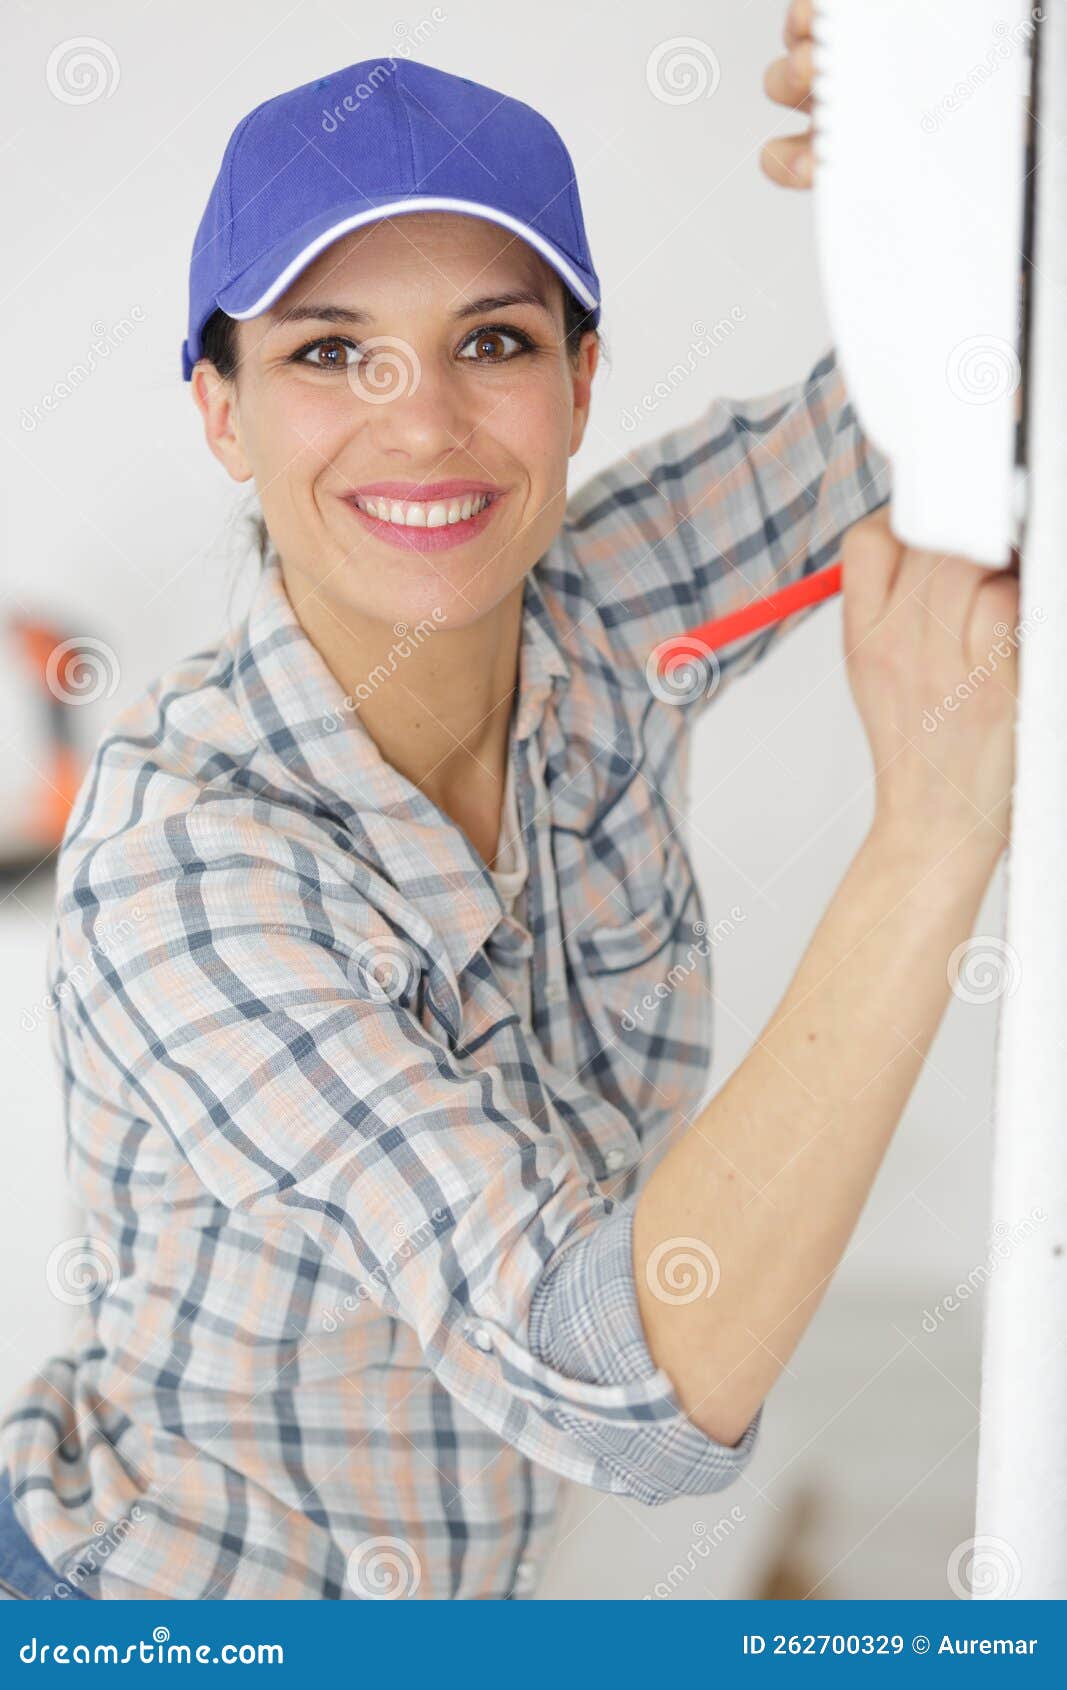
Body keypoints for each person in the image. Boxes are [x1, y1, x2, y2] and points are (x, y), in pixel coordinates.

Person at [0, 10, 1018, 1601]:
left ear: (578, 377)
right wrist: (932, 840)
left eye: (492, 341)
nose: (425, 424)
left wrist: (954, 145)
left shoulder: (596, 610)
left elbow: (956, 395)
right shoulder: (185, 868)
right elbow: (613, 1386)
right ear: (222, 409)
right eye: (330, 350)